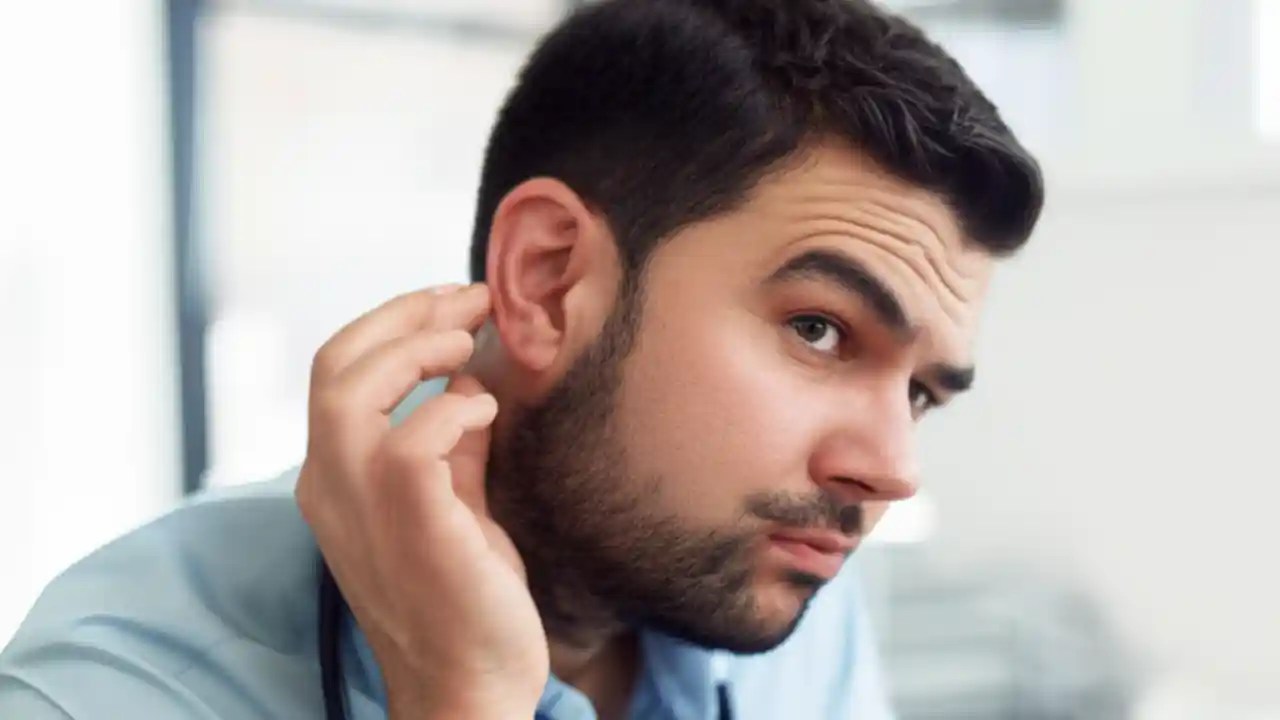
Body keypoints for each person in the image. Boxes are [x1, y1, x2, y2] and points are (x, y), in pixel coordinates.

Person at [0, 0, 1043, 717]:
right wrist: (461, 700)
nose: (889, 471)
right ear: (546, 281)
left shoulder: (788, 599)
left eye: (920, 393)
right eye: (819, 329)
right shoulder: (113, 690)